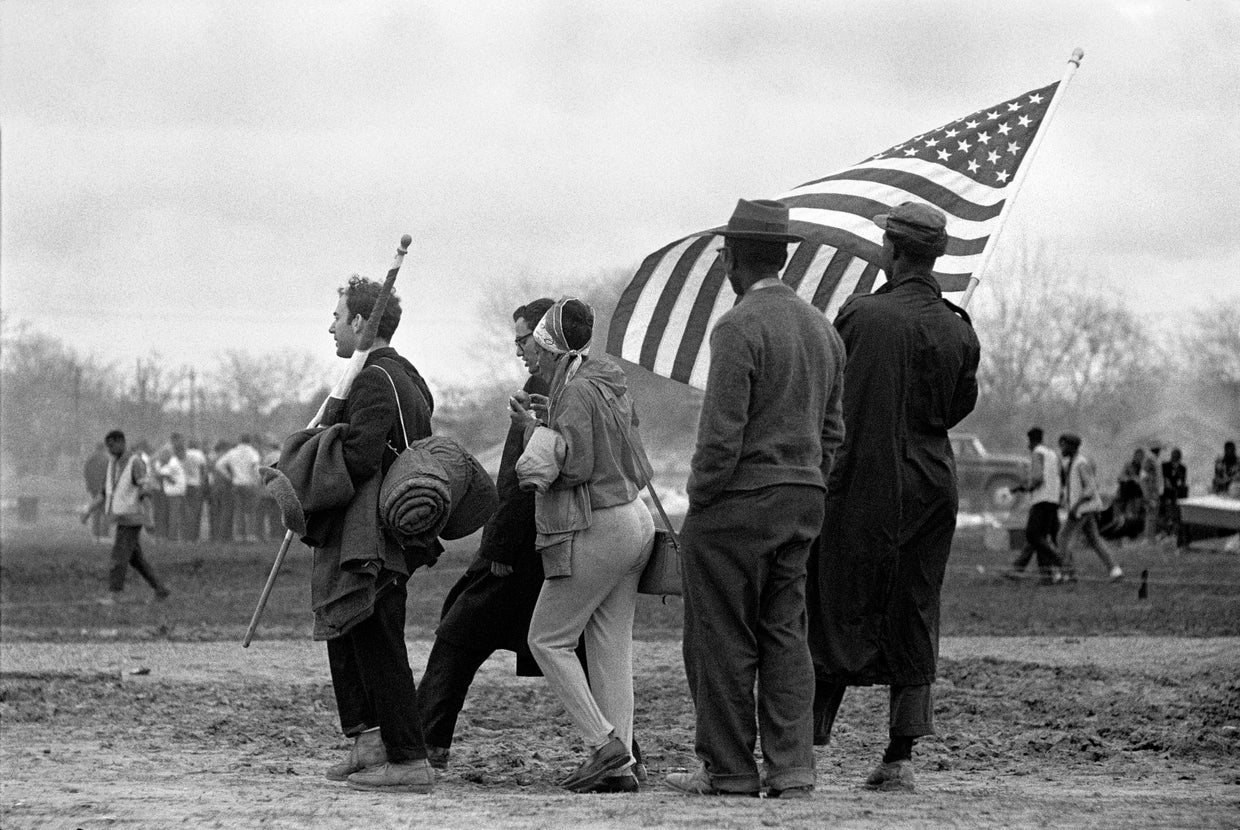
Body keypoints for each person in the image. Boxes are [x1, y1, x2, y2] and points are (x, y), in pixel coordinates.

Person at [665, 199, 845, 800]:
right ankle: (792, 769)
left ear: (735, 258)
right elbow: (833, 433)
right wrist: (808, 478)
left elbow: (720, 438)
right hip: (803, 501)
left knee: (720, 640)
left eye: (723, 253)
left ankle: (729, 770)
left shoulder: (739, 327)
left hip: (738, 506)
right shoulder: (823, 329)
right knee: (786, 636)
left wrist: (700, 500)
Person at [808, 201, 980, 794]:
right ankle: (900, 755)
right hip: (933, 485)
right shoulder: (959, 326)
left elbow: (833, 396)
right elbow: (958, 407)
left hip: (862, 480)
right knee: (914, 609)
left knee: (832, 598)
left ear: (893, 250)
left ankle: (804, 742)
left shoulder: (860, 315)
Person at [301, 274, 440, 794]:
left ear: (361, 322)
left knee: (379, 640)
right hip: (378, 533)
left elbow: (360, 459)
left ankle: (408, 758)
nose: (330, 327)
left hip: (374, 534)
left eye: (336, 318)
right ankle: (368, 742)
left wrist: (313, 451)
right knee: (351, 629)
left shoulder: (375, 379)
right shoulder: (401, 374)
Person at [522, 298, 655, 794]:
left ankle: (604, 746)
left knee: (547, 639)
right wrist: (549, 420)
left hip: (601, 523)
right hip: (635, 519)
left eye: (535, 347)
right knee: (610, 648)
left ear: (553, 347)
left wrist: (535, 434)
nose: (530, 356)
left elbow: (571, 467)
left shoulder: (574, 392)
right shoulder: (607, 377)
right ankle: (620, 768)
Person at [88, 430, 170, 604]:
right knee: (136, 559)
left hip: (132, 519)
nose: (110, 450)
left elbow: (145, 491)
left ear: (122, 443)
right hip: (121, 519)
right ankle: (160, 589)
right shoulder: (112, 464)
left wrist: (149, 519)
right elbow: (105, 492)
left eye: (112, 445)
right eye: (108, 447)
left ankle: (114, 594)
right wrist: (89, 511)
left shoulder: (136, 463)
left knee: (118, 557)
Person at [1058, 433, 1123, 582]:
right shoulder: (1072, 463)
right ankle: (1115, 570)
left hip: (1082, 509)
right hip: (1085, 508)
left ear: (1072, 447)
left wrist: (1075, 506)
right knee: (1094, 539)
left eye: (1063, 445)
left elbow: (1090, 489)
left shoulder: (1081, 463)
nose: (1061, 448)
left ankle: (1067, 573)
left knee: (1063, 538)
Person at [1006, 427, 1064, 584]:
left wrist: (1026, 487)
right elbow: (1059, 477)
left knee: (1033, 535)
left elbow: (1038, 478)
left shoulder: (1037, 453)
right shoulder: (1052, 454)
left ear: (1031, 441)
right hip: (1053, 500)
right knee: (1041, 538)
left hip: (1041, 500)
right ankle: (1047, 577)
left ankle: (1058, 558)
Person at [215, 434, 262, 541]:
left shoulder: (232, 452)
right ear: (249, 441)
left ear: (239, 440)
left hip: (236, 484)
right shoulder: (253, 452)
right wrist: (257, 480)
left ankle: (239, 535)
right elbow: (255, 467)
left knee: (239, 511)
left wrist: (229, 476)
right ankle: (250, 535)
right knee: (250, 511)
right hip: (250, 484)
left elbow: (219, 465)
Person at [155, 443, 187, 542]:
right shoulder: (171, 462)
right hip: (174, 492)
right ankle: (172, 536)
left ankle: (172, 537)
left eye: (163, 454)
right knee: (173, 515)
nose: (161, 457)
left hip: (174, 493)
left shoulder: (172, 463)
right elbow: (162, 474)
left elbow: (161, 474)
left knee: (173, 515)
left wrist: (158, 466)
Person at [181, 437, 208, 542]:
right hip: (196, 485)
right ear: (196, 445)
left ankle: (186, 536)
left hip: (185, 485)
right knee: (196, 512)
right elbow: (203, 470)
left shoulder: (185, 454)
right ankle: (195, 537)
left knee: (186, 512)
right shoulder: (199, 454)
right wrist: (204, 483)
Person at [82, 442, 111, 542]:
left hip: (94, 488)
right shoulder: (107, 459)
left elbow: (86, 473)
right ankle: (104, 533)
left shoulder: (90, 459)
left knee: (96, 510)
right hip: (104, 488)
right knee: (106, 511)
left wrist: (89, 485)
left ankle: (96, 532)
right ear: (104, 449)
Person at [1161, 447, 1189, 546]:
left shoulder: (1182, 468)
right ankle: (1166, 530)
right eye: (1174, 456)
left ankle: (1174, 531)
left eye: (1177, 456)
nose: (1175, 458)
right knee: (1168, 510)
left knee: (1176, 511)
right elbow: (1164, 479)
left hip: (1177, 492)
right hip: (1167, 492)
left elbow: (1182, 481)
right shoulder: (1165, 466)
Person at [1141, 445, 1165, 542]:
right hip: (1151, 492)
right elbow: (1143, 478)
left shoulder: (1155, 460)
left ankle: (1151, 536)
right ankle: (1148, 537)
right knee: (1151, 514)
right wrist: (1147, 493)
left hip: (1155, 492)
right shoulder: (1149, 461)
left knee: (1153, 515)